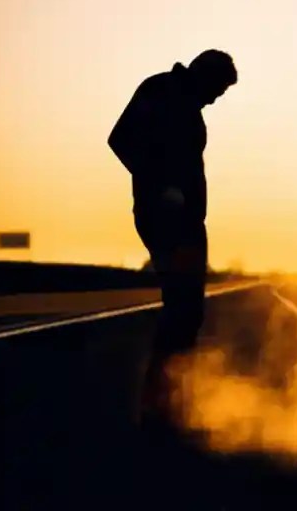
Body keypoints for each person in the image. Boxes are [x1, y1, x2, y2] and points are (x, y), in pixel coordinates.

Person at [108, 49, 237, 428]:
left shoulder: (190, 109)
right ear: (202, 75)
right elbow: (121, 140)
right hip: (163, 217)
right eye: (216, 90)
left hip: (188, 222)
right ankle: (159, 405)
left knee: (188, 310)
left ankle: (173, 398)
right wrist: (161, 185)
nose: (215, 99)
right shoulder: (159, 91)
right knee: (181, 307)